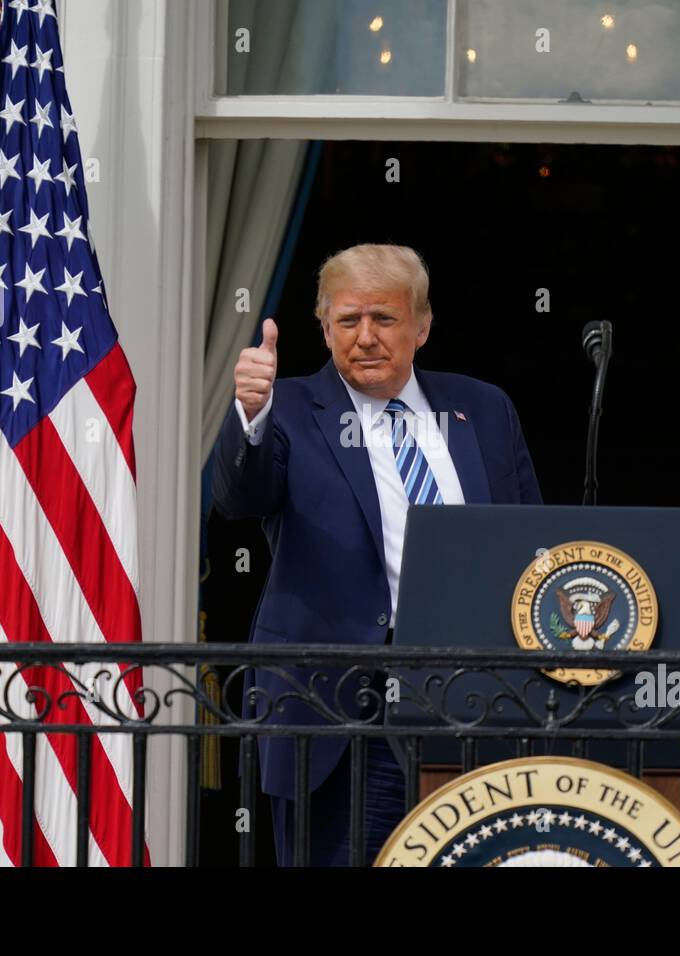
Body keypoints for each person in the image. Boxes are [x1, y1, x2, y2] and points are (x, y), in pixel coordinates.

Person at [211, 243, 542, 866]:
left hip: (474, 711)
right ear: (325, 326)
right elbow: (238, 497)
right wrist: (249, 414)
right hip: (337, 715)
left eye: (385, 319)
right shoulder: (290, 411)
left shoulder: (486, 410)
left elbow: (532, 547)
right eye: (348, 320)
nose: (365, 337)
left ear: (421, 326)